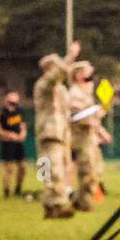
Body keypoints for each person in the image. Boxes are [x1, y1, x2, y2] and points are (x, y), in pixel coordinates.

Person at [35, 43, 81, 219]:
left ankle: (51, 205)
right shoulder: (43, 85)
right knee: (51, 170)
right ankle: (58, 204)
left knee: (59, 169)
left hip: (60, 133)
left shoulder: (59, 89)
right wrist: (70, 56)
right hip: (49, 133)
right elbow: (58, 76)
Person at [69, 61, 104, 212]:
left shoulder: (86, 92)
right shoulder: (74, 93)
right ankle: (82, 201)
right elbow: (76, 116)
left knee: (96, 171)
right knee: (87, 172)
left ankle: (79, 199)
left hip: (90, 138)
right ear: (79, 75)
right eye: (88, 72)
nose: (91, 75)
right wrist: (93, 115)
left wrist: (101, 131)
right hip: (81, 139)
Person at [0, 92, 28, 198]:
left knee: (23, 167)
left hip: (18, 142)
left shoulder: (20, 111)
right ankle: (6, 191)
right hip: (7, 143)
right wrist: (9, 134)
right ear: (7, 101)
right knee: (8, 169)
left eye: (15, 102)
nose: (13, 105)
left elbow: (23, 125)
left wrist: (23, 134)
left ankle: (18, 189)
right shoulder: (1, 113)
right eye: (11, 102)